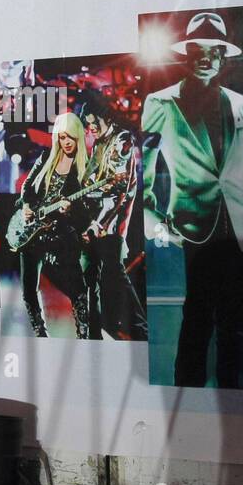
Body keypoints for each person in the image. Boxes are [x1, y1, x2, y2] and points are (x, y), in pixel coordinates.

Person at [141, 11, 243, 388]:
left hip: (240, 232)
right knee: (197, 320)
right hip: (193, 232)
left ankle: (233, 401)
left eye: (214, 51)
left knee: (236, 327)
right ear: (186, 53)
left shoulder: (241, 104)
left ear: (222, 58)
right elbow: (144, 172)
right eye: (198, 49)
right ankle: (188, 400)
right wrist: (157, 224)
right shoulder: (161, 103)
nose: (206, 58)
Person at [79, 93, 147, 340]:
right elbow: (89, 180)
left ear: (105, 116)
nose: (91, 127)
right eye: (87, 123)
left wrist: (99, 222)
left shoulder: (121, 140)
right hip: (98, 215)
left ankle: (140, 326)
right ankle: (110, 321)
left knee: (114, 268)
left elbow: (118, 191)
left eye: (93, 121)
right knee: (105, 269)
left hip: (113, 216)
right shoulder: (98, 142)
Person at [17, 112, 92, 338]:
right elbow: (26, 188)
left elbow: (86, 211)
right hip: (31, 231)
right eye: (61, 137)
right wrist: (26, 206)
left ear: (78, 136)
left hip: (60, 233)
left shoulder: (84, 167)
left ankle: (84, 333)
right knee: (28, 288)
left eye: (70, 137)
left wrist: (71, 212)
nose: (66, 142)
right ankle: (39, 332)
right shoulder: (46, 156)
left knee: (77, 287)